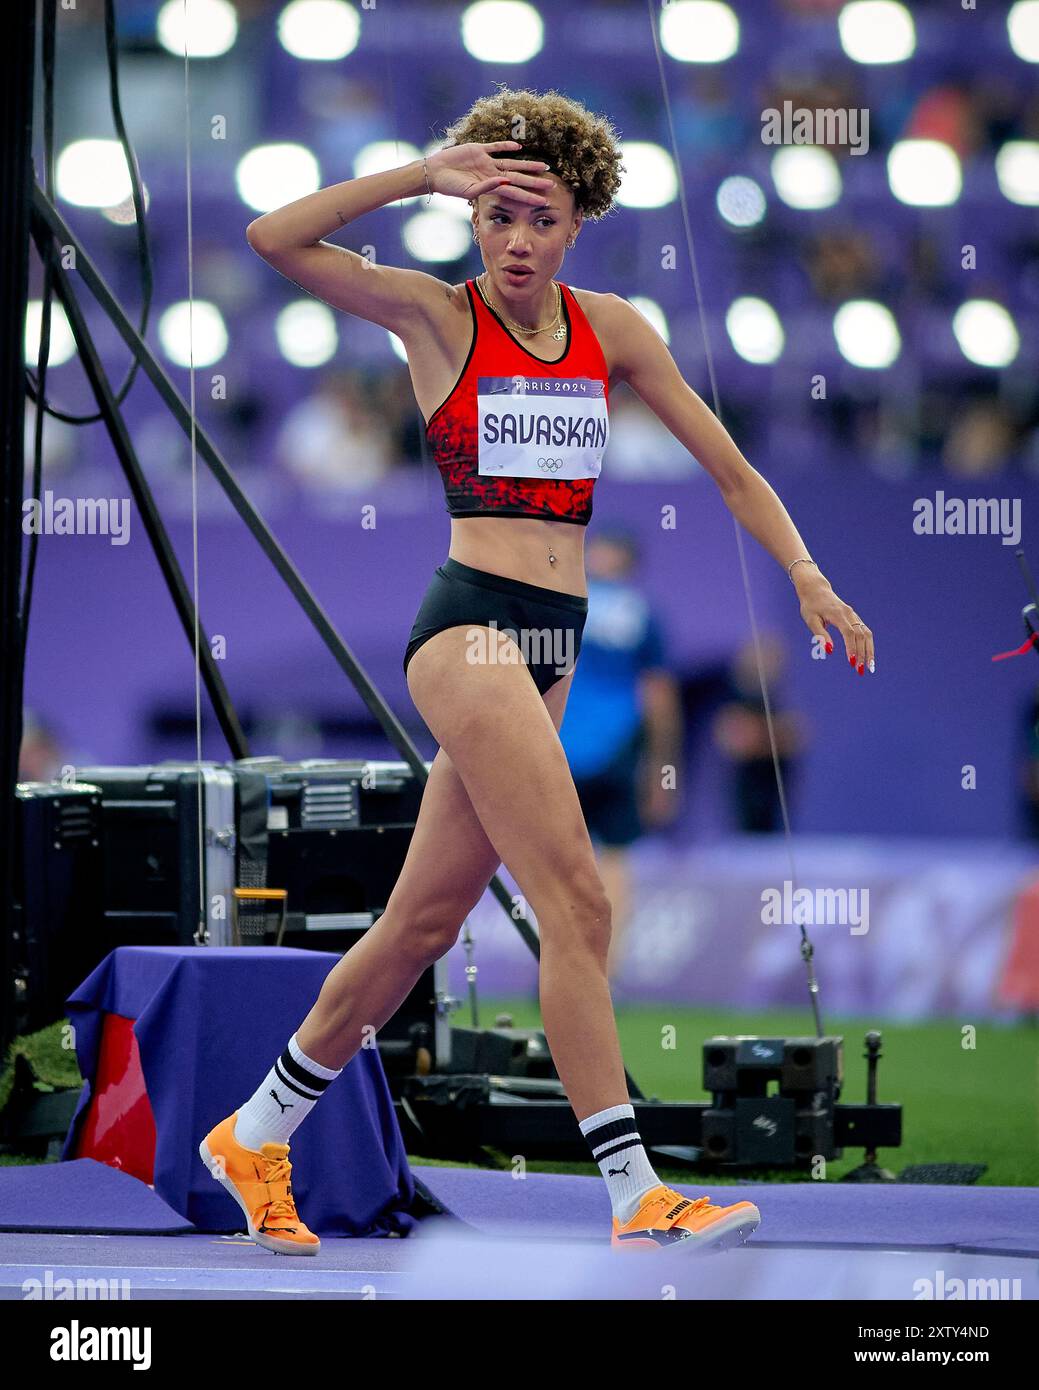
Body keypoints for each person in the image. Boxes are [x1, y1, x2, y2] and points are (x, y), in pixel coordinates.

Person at [199, 85, 876, 1255]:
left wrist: (808, 573)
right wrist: (421, 172)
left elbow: (730, 471)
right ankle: (634, 1191)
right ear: (473, 217)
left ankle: (255, 1133)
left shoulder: (612, 329)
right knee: (577, 899)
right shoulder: (432, 317)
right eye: (498, 214)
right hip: (468, 627)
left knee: (418, 926)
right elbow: (272, 241)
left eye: (541, 218)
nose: (515, 240)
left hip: (554, 635)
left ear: (576, 225)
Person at [557, 529, 682, 980]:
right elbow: (659, 696)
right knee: (615, 861)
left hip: (559, 749)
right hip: (617, 752)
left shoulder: (561, 601)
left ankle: (558, 968)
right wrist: (663, 770)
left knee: (558, 865)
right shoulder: (644, 615)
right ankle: (601, 976)